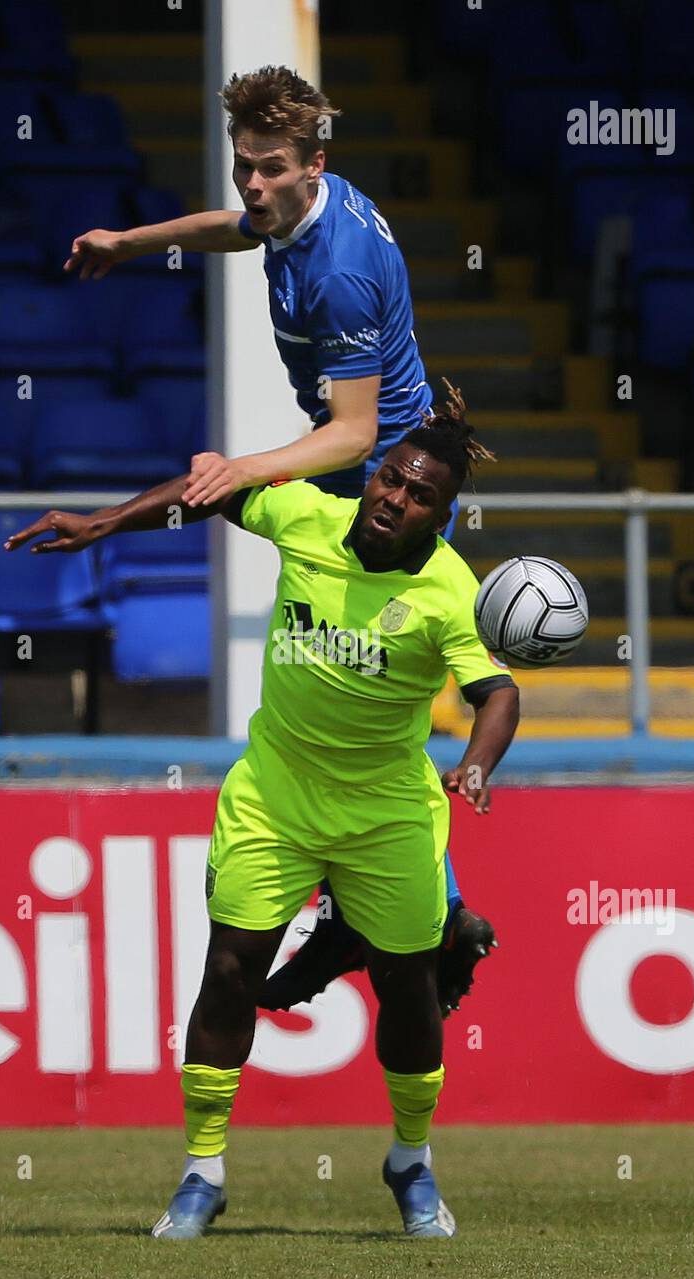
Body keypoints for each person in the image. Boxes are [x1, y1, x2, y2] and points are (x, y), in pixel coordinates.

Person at [7, 390, 520, 1238]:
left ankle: (410, 1162)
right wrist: (104, 522)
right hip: (274, 797)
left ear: (443, 516)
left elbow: (496, 692)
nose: (395, 498)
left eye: (419, 495)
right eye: (390, 479)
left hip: (387, 810)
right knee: (229, 974)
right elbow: (204, 491)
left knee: (410, 989)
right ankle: (202, 1174)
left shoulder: (447, 592)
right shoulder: (305, 515)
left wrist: (473, 762)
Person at [64, 63, 496, 1015]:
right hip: (372, 474)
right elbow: (240, 230)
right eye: (242, 166)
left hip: (380, 493)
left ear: (314, 164)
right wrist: (129, 242)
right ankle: (414, 913)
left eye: (268, 169)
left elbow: (347, 432)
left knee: (350, 714)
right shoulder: (305, 202)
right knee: (359, 711)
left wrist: (241, 469)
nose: (251, 186)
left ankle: (410, 916)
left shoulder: (339, 272)